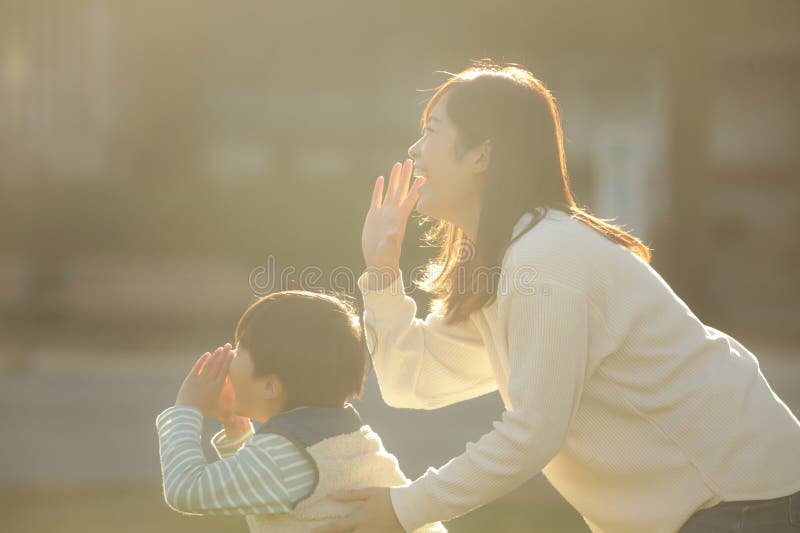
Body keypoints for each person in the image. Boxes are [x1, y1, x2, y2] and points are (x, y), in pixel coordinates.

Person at [313, 60, 800, 533]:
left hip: (741, 501)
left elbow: (531, 435)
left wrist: (404, 508)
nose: (414, 150)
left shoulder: (544, 259)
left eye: (432, 130)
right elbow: (410, 380)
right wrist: (381, 272)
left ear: (481, 155)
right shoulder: (508, 264)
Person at [155, 290, 446, 532]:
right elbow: (265, 487)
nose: (230, 354)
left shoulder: (287, 458)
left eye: (242, 348)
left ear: (271, 386)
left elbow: (186, 488)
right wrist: (237, 431)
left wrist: (186, 409)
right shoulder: (337, 437)